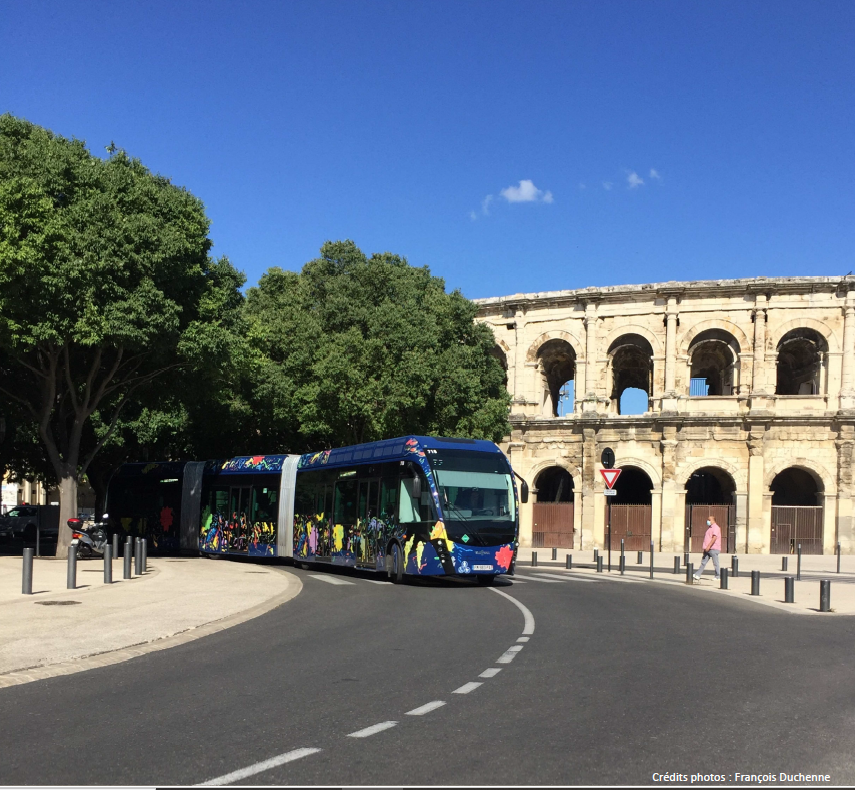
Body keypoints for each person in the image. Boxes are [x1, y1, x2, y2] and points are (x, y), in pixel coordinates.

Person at [694, 515, 722, 581]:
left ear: (713, 520)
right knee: (703, 562)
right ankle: (698, 574)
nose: (708, 521)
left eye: (709, 520)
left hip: (713, 548)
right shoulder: (709, 528)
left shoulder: (716, 528)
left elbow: (714, 538)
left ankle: (717, 576)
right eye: (708, 520)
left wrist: (709, 546)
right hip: (707, 549)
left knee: (715, 563)